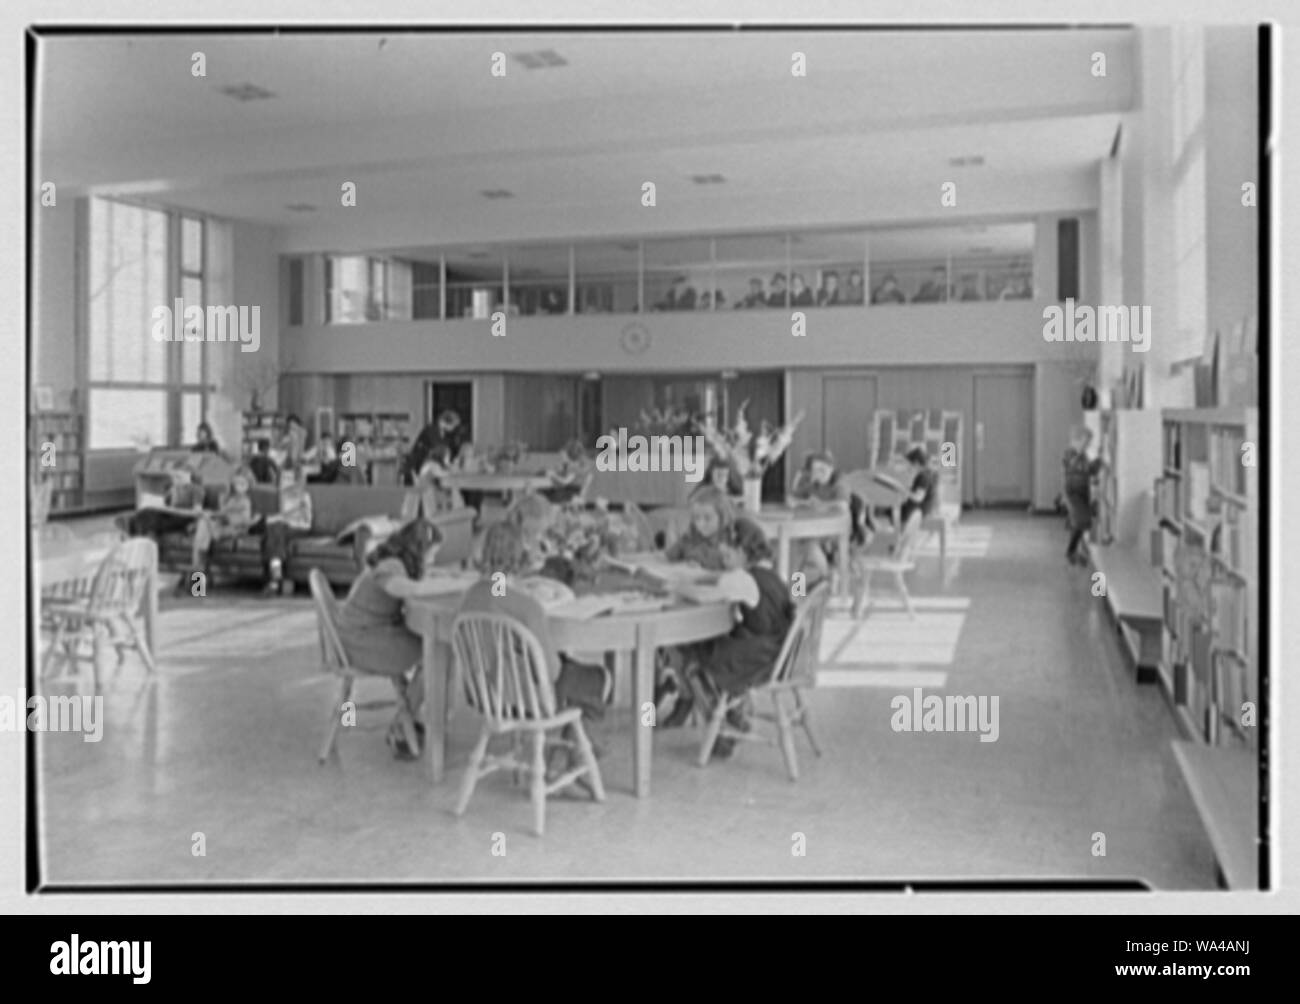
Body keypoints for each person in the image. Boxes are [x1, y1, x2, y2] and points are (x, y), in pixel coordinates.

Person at [458, 522, 612, 781]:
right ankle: (568, 752)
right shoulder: (527, 606)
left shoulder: (471, 596)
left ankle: (570, 751)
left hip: (485, 692)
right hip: (525, 697)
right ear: (522, 559)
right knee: (601, 679)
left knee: (570, 674)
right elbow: (551, 672)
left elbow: (495, 598)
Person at [677, 518, 796, 757]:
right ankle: (733, 714)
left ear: (742, 552)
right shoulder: (770, 574)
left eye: (727, 557)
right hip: (782, 652)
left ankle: (722, 728)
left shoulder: (742, 579)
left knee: (694, 652)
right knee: (720, 643)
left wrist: (680, 585)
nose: (724, 562)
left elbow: (710, 594)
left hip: (761, 657)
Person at [336, 518, 444, 759]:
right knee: (436, 651)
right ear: (418, 551)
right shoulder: (391, 567)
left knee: (432, 647)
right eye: (431, 555)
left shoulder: (390, 560)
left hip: (357, 633)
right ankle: (403, 724)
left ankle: (409, 715)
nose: (432, 561)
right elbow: (404, 589)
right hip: (360, 641)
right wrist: (450, 585)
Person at [182, 468, 255, 595]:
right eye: (237, 483)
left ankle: (197, 576)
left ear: (248, 485)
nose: (239, 487)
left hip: (235, 528)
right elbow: (222, 513)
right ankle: (199, 570)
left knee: (203, 528)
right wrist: (215, 516)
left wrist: (221, 517)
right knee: (204, 527)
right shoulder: (227, 497)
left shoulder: (246, 501)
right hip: (219, 527)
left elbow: (244, 519)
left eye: (243, 484)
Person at [789, 450, 850, 583]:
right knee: (797, 549)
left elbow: (842, 505)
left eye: (823, 470)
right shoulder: (814, 484)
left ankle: (827, 578)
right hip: (814, 528)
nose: (820, 474)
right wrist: (800, 501)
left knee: (808, 545)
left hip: (834, 530)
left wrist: (823, 505)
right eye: (816, 470)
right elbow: (792, 497)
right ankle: (797, 591)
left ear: (831, 469)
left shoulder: (839, 483)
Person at [252, 464, 313, 596]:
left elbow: (307, 520)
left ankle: (273, 578)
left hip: (299, 526)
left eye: (289, 478)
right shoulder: (278, 496)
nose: (286, 482)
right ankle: (276, 577)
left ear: (297, 480)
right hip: (280, 528)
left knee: (274, 530)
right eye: (284, 478)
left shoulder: (303, 495)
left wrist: (287, 519)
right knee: (273, 530)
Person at [1062, 426, 1105, 566]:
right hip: (1073, 492)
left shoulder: (1083, 455)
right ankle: (1072, 551)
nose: (1087, 446)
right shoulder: (1069, 453)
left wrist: (1099, 461)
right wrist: (1086, 457)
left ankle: (1076, 550)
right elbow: (1074, 466)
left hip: (1082, 492)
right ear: (1076, 440)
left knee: (1082, 522)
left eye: (1088, 443)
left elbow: (1090, 470)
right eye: (1086, 442)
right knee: (1082, 520)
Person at [899, 446, 940, 540]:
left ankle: (902, 538)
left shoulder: (923, 477)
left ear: (916, 463)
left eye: (909, 464)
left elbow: (918, 498)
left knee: (898, 509)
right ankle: (901, 536)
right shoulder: (928, 473)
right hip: (926, 507)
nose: (908, 467)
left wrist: (904, 491)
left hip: (921, 510)